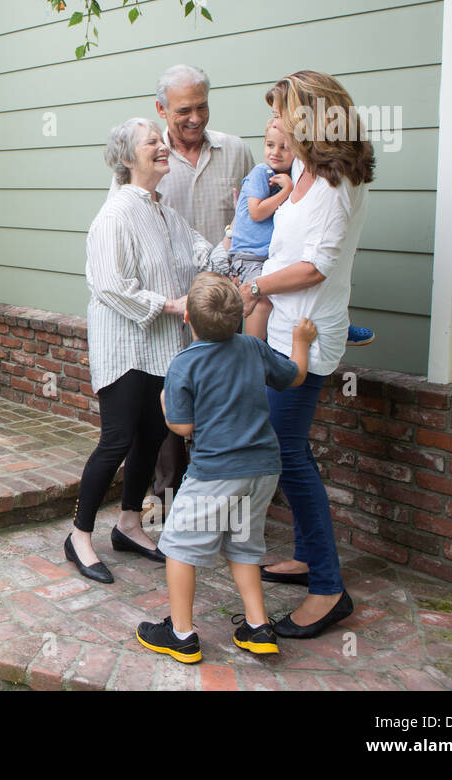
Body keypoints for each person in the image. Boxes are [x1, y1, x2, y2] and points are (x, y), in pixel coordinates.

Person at [238, 70, 374, 638]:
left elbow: (316, 266)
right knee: (290, 449)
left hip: (307, 334)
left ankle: (328, 590)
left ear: (313, 120)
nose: (280, 127)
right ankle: (306, 557)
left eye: (288, 116)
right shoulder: (303, 170)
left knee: (287, 452)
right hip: (281, 328)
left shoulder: (336, 188)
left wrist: (257, 288)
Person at [65, 118, 221, 583]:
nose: (162, 145)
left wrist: (245, 236)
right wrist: (170, 304)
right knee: (116, 440)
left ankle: (129, 523)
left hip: (165, 350)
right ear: (127, 158)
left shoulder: (167, 213)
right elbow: (110, 286)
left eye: (161, 139)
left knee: (152, 439)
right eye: (151, 141)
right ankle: (78, 536)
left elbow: (203, 255)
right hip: (126, 348)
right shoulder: (115, 215)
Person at [136, 273, 317, 663]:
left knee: (181, 548)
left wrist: (167, 404)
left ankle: (181, 635)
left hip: (215, 473)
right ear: (238, 318)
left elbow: (183, 427)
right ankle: (258, 627)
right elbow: (296, 376)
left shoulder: (184, 363)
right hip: (263, 470)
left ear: (187, 317)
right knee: (243, 545)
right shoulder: (253, 348)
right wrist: (301, 342)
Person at [149, 64, 256, 515]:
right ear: (161, 109)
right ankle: (166, 501)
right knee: (174, 401)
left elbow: (256, 213)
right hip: (174, 305)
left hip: (227, 305)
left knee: (226, 398)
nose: (195, 118)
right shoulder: (148, 159)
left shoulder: (235, 152)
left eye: (202, 106)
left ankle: (226, 501)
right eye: (183, 110)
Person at [228, 118, 376, 344]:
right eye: (270, 145)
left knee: (315, 279)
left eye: (284, 147)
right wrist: (285, 191)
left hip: (269, 253)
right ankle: (253, 351)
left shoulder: (297, 172)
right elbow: (256, 212)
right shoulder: (262, 173)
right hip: (250, 255)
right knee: (263, 300)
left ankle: (338, 324)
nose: (275, 153)